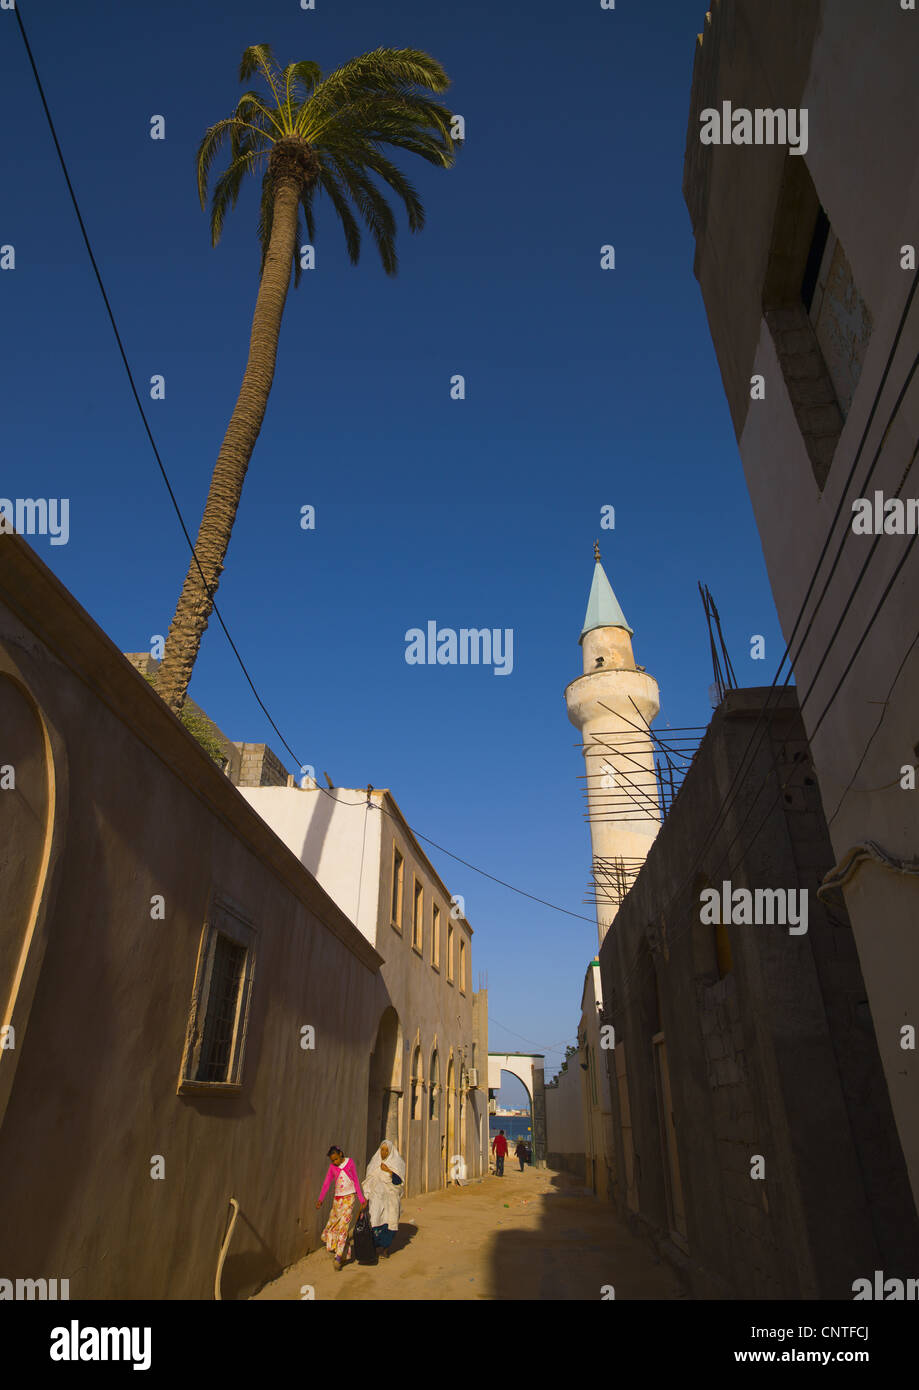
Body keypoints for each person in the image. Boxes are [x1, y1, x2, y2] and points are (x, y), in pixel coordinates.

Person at [316, 1145, 367, 1270]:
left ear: (341, 1154)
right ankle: (344, 1252)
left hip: (349, 1198)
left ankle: (338, 1258)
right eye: (332, 1161)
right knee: (333, 1226)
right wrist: (320, 1199)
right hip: (337, 1200)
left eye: (336, 1159)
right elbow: (327, 1182)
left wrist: (361, 1199)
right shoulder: (332, 1167)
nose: (334, 1162)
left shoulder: (350, 1163)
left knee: (344, 1226)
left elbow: (355, 1180)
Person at [363, 1140, 406, 1257]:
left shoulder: (396, 1163)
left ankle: (386, 1247)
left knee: (390, 1221)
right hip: (376, 1197)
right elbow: (368, 1180)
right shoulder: (374, 1163)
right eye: (382, 1150)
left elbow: (399, 1182)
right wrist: (366, 1197)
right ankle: (376, 1246)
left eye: (387, 1150)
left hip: (391, 1198)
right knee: (375, 1219)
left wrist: (389, 1171)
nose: (384, 1152)